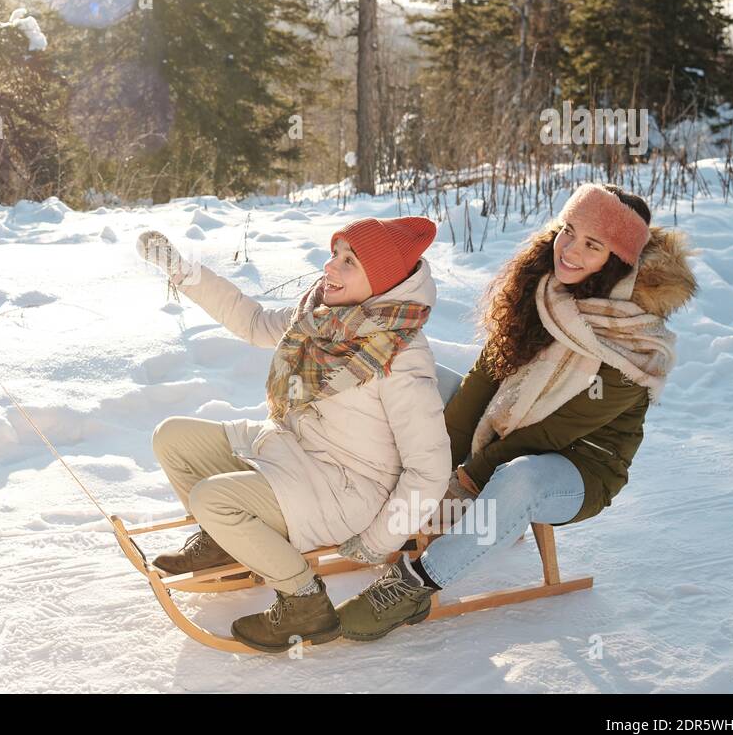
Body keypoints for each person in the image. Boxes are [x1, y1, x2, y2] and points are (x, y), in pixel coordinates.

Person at [334, 184, 697, 641]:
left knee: (519, 477)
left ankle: (412, 588)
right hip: (508, 430)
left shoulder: (635, 343)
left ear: (619, 259)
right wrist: (428, 470)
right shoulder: (543, 292)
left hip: (578, 469)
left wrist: (465, 482)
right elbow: (485, 381)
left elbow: (550, 434)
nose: (570, 251)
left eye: (592, 245)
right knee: (415, 377)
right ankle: (354, 479)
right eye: (569, 232)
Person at [137, 217, 450, 653]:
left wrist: (379, 541)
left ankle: (304, 602)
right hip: (292, 450)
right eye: (335, 254)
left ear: (380, 282)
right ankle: (232, 541)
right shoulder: (319, 316)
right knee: (171, 437)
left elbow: (429, 469)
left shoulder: (401, 356)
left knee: (212, 498)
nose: (330, 267)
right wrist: (186, 273)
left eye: (349, 262)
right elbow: (253, 321)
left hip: (348, 491)